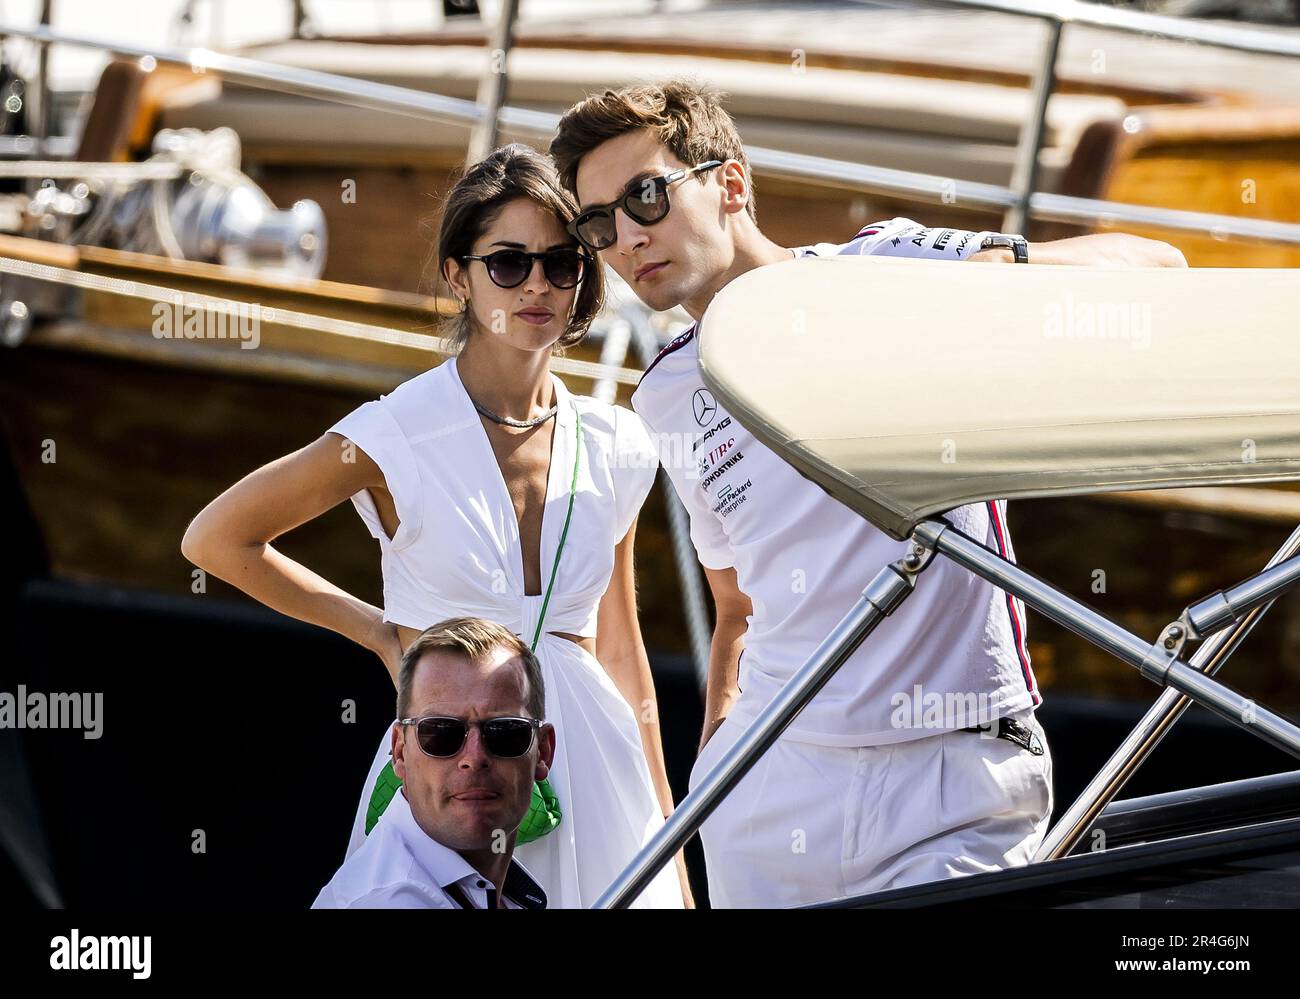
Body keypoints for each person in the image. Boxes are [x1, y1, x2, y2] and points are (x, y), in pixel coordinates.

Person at [549, 78, 1188, 908]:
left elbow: (1159, 267)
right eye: (600, 224)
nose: (627, 237)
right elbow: (737, 610)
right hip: (769, 787)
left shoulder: (881, 269)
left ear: (731, 184)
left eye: (645, 197)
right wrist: (715, 781)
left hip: (950, 778)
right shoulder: (668, 391)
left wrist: (984, 283)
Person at [182, 143, 688, 908]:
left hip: (603, 786)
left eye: (562, 263)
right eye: (508, 263)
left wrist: (671, 847)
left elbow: (621, 654)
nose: (538, 285)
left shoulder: (616, 443)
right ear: (459, 274)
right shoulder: (396, 433)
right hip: (455, 769)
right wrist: (384, 635)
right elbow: (217, 539)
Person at [314, 617, 554, 909]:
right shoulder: (390, 901)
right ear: (400, 752)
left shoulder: (500, 890)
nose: (474, 757)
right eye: (440, 732)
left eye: (504, 731)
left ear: (543, 750)